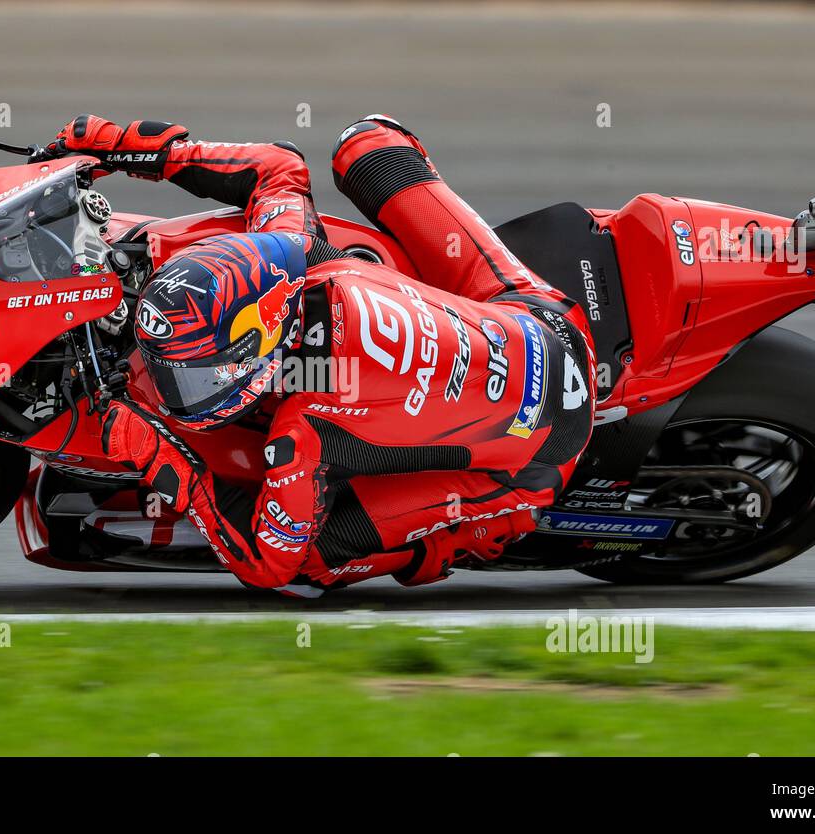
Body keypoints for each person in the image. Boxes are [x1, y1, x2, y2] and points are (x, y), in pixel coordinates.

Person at [42, 113, 596, 594]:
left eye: (192, 374)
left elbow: (266, 566)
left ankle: (463, 536)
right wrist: (139, 148)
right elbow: (278, 166)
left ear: (256, 352)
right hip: (538, 315)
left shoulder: (303, 431)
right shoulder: (302, 254)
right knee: (368, 142)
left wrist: (158, 453)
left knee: (310, 562)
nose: (176, 385)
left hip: (535, 459)